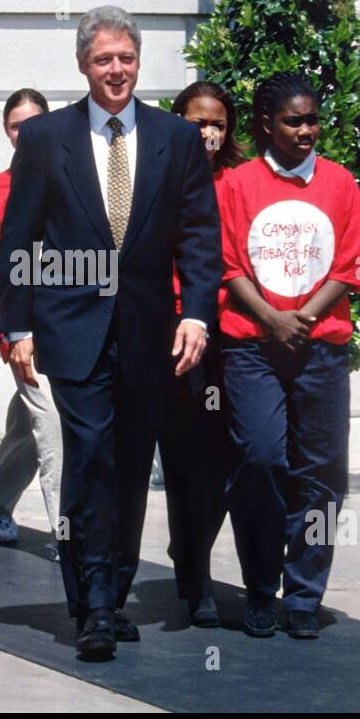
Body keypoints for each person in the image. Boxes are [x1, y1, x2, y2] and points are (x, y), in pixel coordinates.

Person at [0, 6, 221, 660]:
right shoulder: (44, 138)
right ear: (82, 65)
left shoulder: (175, 138)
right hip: (71, 330)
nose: (116, 69)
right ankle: (93, 602)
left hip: (150, 333)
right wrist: (17, 324)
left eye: (125, 57)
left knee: (129, 465)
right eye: (103, 59)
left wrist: (197, 312)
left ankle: (112, 592)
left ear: (138, 60)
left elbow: (201, 236)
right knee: (91, 455)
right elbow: (20, 239)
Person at [217, 72, 360, 641]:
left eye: (312, 119)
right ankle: (260, 586)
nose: (307, 130)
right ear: (265, 125)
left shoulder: (340, 184)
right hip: (253, 347)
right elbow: (227, 263)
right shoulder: (236, 185)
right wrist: (271, 317)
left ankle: (304, 593)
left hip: (320, 348)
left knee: (321, 473)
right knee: (259, 458)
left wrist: (303, 317)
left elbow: (352, 265)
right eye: (293, 120)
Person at [157, 80, 247, 628]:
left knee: (226, 462)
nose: (209, 132)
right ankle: (196, 577)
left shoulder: (240, 180)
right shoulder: (162, 177)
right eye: (198, 122)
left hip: (232, 335)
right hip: (174, 334)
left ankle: (189, 550)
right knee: (185, 460)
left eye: (218, 123)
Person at [0, 89, 63, 551]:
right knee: (53, 425)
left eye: (34, 123)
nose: (25, 134)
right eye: (15, 125)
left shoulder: (73, 179)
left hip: (72, 324)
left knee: (31, 424)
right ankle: (67, 534)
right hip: (23, 328)